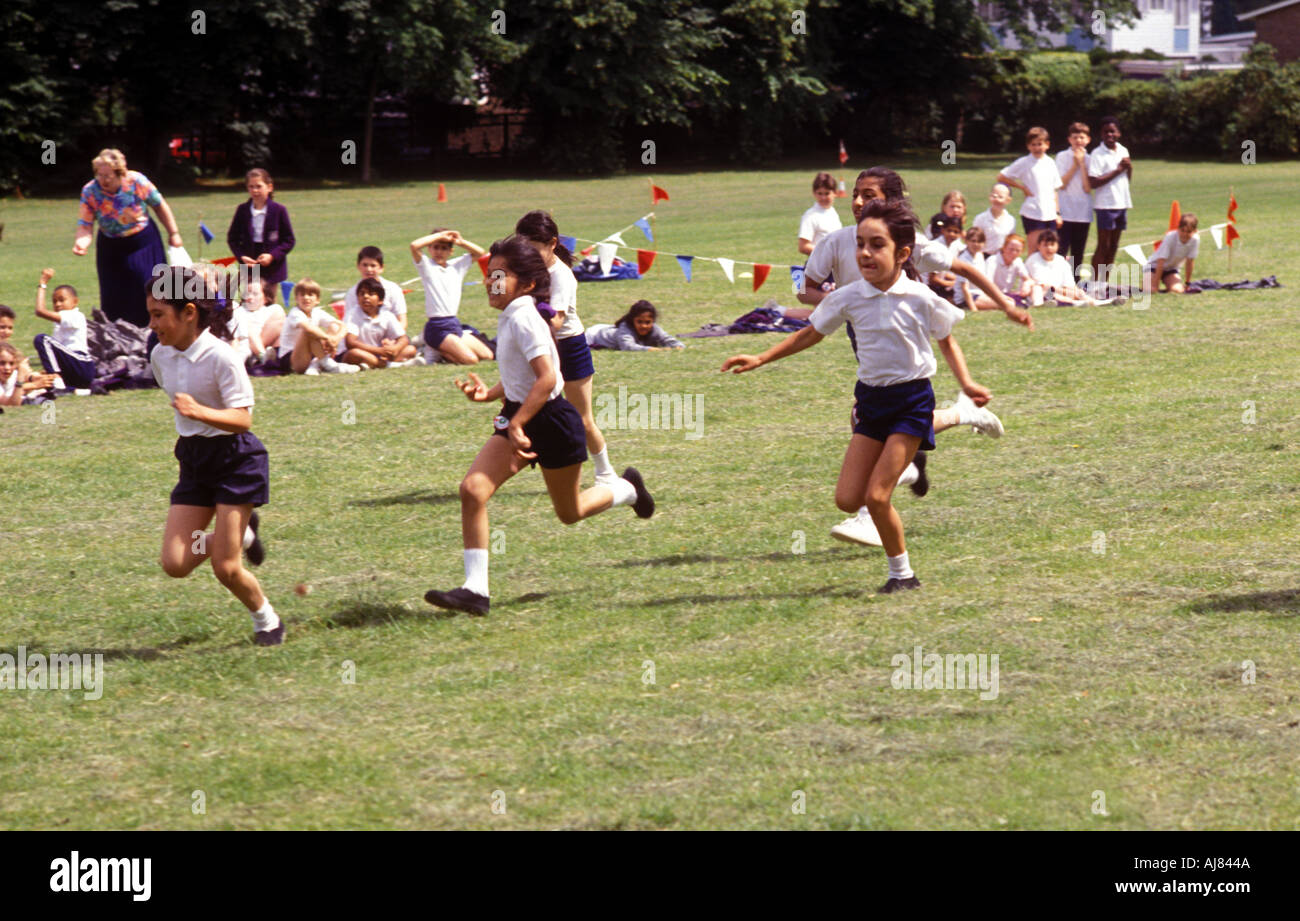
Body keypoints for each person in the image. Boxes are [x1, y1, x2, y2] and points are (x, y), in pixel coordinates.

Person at [723, 198, 994, 593]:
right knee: (848, 499)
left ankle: (902, 575)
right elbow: (810, 333)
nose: (865, 253)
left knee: (877, 496)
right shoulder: (848, 297)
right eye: (861, 244)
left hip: (912, 401)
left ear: (902, 253)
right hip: (870, 402)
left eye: (877, 245)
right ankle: (916, 466)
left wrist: (967, 383)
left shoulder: (922, 298)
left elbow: (947, 341)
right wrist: (761, 357)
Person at [424, 236, 655, 617]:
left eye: (498, 275)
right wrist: (489, 394)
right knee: (472, 490)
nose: (489, 282)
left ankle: (627, 488)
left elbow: (548, 378)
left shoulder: (524, 316)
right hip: (523, 414)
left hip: (552, 422)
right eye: (488, 274)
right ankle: (475, 591)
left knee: (570, 512)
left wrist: (517, 421)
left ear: (527, 284)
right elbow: (523, 374)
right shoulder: (514, 313)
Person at [798, 167, 1017, 547]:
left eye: (871, 196)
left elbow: (963, 268)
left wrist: (1005, 303)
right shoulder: (836, 242)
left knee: (871, 416)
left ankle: (872, 514)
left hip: (905, 331)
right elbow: (808, 290)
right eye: (857, 195)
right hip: (864, 333)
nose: (859, 202)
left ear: (893, 203)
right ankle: (957, 420)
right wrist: (846, 303)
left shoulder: (906, 242)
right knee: (876, 417)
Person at [146, 265, 281, 646]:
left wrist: (199, 412)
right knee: (175, 563)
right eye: (151, 314)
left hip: (235, 460)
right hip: (194, 459)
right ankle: (241, 533)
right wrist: (193, 420)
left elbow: (243, 419)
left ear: (189, 312)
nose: (153, 324)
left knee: (226, 567)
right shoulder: (161, 356)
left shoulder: (222, 357)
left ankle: (267, 620)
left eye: (159, 315)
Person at [515, 210, 619, 486]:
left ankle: (606, 473)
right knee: (530, 409)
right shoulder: (526, 268)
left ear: (552, 243)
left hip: (568, 346)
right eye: (525, 249)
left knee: (582, 419)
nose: (530, 256)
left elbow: (557, 322)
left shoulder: (561, 275)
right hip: (540, 345)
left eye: (535, 249)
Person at [73, 149, 185, 328]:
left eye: (108, 175)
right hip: (110, 247)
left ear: (120, 173)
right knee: (113, 295)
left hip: (142, 242)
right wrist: (82, 242)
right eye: (100, 175)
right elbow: (85, 224)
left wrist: (174, 233)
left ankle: (154, 332)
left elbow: (159, 206)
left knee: (147, 288)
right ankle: (120, 337)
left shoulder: (136, 181)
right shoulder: (90, 191)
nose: (103, 180)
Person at [409, 228, 493, 364]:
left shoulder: (456, 266)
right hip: (437, 327)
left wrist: (460, 241)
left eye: (444, 248)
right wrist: (439, 235)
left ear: (450, 251)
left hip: (454, 324)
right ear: (429, 248)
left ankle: (439, 350)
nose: (439, 252)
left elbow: (480, 253)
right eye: (435, 247)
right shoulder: (426, 265)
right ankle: (433, 347)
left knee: (487, 355)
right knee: (471, 360)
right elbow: (414, 246)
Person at [997, 127, 1063, 255]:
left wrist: (1057, 213)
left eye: (1040, 144)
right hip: (1033, 212)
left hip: (1050, 213)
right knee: (1033, 250)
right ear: (1028, 146)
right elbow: (1002, 176)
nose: (1037, 147)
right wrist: (1022, 187)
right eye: (1033, 144)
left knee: (1050, 251)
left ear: (1047, 145)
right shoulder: (1024, 162)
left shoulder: (1050, 163)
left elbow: (1054, 190)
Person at [226, 168, 296, 287]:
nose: (255, 190)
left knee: (269, 301)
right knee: (250, 300)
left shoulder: (279, 210)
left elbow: (289, 240)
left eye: (258, 186)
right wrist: (241, 256)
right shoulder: (242, 210)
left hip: (272, 267)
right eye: (251, 186)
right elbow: (232, 239)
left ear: (269, 187)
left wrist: (272, 256)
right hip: (249, 265)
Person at [1088, 116, 1133, 289]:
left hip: (1121, 203)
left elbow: (1126, 178)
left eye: (1112, 131)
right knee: (1103, 245)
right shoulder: (1097, 154)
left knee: (1114, 246)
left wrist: (1129, 169)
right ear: (1101, 134)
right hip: (1105, 205)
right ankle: (1093, 282)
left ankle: (1104, 282)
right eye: (1106, 132)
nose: (1109, 135)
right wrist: (1118, 170)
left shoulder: (1123, 150)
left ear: (1119, 133)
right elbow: (1093, 182)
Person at [32, 268, 96, 390]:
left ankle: (56, 378)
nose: (57, 304)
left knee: (42, 339)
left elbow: (40, 311)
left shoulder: (75, 316)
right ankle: (75, 390)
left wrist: (43, 283)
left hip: (82, 364)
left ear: (75, 302)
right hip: (73, 370)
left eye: (62, 300)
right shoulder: (60, 323)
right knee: (44, 382)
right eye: (54, 301)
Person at [279, 278, 354, 374]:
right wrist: (327, 338)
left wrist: (336, 338)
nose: (306, 298)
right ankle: (326, 363)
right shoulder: (295, 313)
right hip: (291, 359)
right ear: (297, 299)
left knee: (334, 326)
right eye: (302, 295)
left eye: (310, 295)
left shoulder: (316, 312)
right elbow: (307, 328)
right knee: (310, 331)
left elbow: (342, 325)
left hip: (309, 355)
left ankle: (317, 364)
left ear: (317, 300)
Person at [341, 277, 417, 368]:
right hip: (359, 352)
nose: (366, 297)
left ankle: (372, 364)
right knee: (354, 353)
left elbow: (403, 338)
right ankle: (388, 365)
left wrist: (395, 348)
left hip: (379, 354)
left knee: (410, 349)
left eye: (371, 294)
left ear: (380, 301)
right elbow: (350, 343)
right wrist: (379, 350)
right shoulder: (353, 314)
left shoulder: (386, 315)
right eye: (362, 294)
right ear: (357, 298)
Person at [1055, 122, 1093, 277]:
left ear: (1088, 140)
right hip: (1065, 210)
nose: (1078, 140)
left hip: (1082, 212)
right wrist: (1074, 165)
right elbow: (1061, 184)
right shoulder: (1062, 156)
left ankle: (1075, 282)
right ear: (1069, 139)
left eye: (1081, 137)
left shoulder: (1090, 158)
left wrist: (1082, 164)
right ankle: (1058, 281)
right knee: (1062, 249)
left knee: (1078, 251)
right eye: (1075, 137)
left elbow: (1087, 188)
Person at [344, 246, 408, 330]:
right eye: (365, 265)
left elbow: (402, 321)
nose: (368, 269)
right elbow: (349, 323)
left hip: (390, 335)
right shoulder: (352, 293)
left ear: (381, 268)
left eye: (373, 265)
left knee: (409, 343)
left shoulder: (393, 289)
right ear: (358, 266)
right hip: (363, 337)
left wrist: (393, 339)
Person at [586, 300, 684, 351]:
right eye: (639, 322)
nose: (644, 326)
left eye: (648, 322)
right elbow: (628, 347)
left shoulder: (655, 329)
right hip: (595, 334)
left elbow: (673, 342)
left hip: (610, 329)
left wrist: (677, 347)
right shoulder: (626, 329)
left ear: (653, 321)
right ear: (632, 320)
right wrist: (653, 349)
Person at [1024, 229, 1088, 306]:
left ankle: (1090, 301)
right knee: (1044, 291)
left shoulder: (1061, 261)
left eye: (1052, 244)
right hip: (1038, 293)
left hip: (1058, 292)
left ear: (1057, 245)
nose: (1049, 248)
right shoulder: (1033, 260)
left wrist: (1077, 292)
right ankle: (1073, 302)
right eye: (1045, 245)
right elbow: (1043, 286)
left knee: (1079, 293)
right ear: (1039, 246)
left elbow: (1070, 285)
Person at [231, 276, 285, 363]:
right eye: (247, 293)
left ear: (266, 298)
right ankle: (262, 355)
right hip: (242, 344)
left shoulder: (271, 310)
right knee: (246, 325)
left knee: (282, 321)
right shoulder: (239, 310)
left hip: (262, 340)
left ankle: (258, 356)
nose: (250, 297)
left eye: (255, 294)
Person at [1144, 214, 1199, 294]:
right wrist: (1155, 284)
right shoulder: (1170, 237)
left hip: (1171, 269)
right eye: (1182, 230)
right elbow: (1161, 261)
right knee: (1149, 290)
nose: (1185, 234)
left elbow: (1190, 262)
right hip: (1154, 267)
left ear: (1195, 231)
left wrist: (1187, 283)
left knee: (1177, 290)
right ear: (1178, 229)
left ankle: (1168, 284)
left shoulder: (1195, 240)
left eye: (1189, 231)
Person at [974, 234, 1031, 310]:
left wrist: (1026, 285)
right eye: (1011, 249)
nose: (1014, 253)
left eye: (1018, 251)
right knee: (1010, 304)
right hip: (992, 295)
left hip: (1006, 294)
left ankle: (1039, 304)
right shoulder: (993, 261)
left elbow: (1028, 279)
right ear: (1004, 248)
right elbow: (988, 284)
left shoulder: (1017, 261)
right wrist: (1002, 296)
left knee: (1035, 289)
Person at [797, 172, 842, 255]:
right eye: (820, 193)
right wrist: (827, 253)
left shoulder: (832, 212)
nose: (823, 197)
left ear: (835, 193)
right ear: (814, 193)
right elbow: (803, 246)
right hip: (818, 265)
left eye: (827, 193)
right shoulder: (810, 216)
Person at [973, 184, 1017, 257]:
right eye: (994, 196)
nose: (996, 199)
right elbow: (975, 241)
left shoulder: (1011, 220)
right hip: (983, 256)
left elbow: (1011, 242)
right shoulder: (980, 218)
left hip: (1003, 257)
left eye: (1000, 197)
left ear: (1008, 200)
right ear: (990, 197)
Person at [953, 227, 987, 311]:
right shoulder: (963, 259)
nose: (976, 244)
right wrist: (973, 309)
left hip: (979, 294)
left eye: (979, 242)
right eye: (973, 241)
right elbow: (964, 288)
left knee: (1009, 300)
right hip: (966, 299)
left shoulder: (980, 256)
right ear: (966, 241)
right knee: (1008, 303)